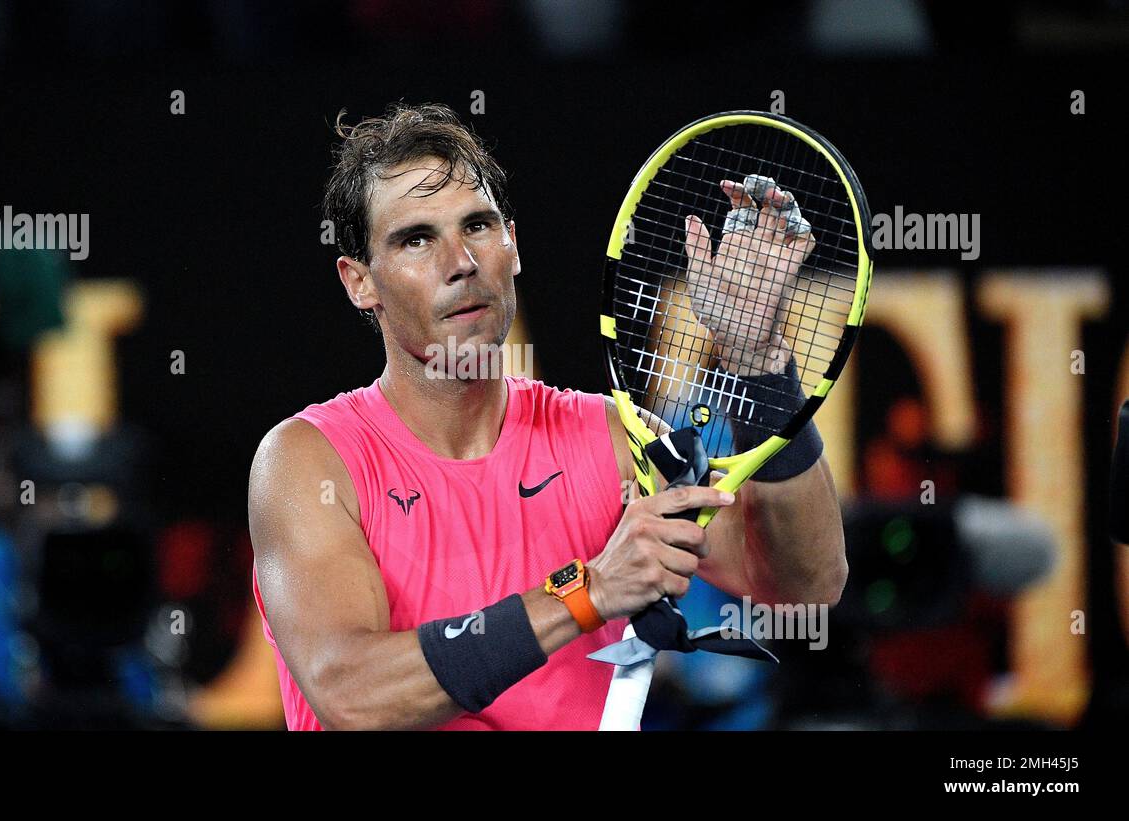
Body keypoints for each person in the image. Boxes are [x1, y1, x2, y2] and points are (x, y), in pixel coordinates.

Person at [247, 102, 847, 730]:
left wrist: (760, 363)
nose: (461, 261)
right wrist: (585, 593)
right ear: (359, 282)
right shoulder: (308, 460)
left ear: (513, 247)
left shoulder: (616, 442)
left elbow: (806, 586)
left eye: (477, 226)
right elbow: (352, 696)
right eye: (417, 239)